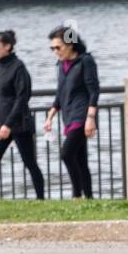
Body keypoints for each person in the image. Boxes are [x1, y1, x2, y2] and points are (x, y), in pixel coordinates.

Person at [0, 30, 45, 200]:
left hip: (19, 124)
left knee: (30, 163)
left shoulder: (18, 67)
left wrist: (8, 124)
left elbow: (23, 97)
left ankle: (41, 200)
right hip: (0, 123)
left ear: (7, 46)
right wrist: (2, 124)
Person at [44, 25, 99, 199]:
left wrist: (91, 118)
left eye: (58, 47)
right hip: (68, 116)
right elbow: (61, 91)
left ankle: (77, 195)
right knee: (81, 160)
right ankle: (89, 199)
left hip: (81, 115)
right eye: (52, 48)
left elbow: (94, 90)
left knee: (66, 154)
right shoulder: (61, 64)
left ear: (71, 44)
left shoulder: (85, 61)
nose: (55, 51)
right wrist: (51, 114)